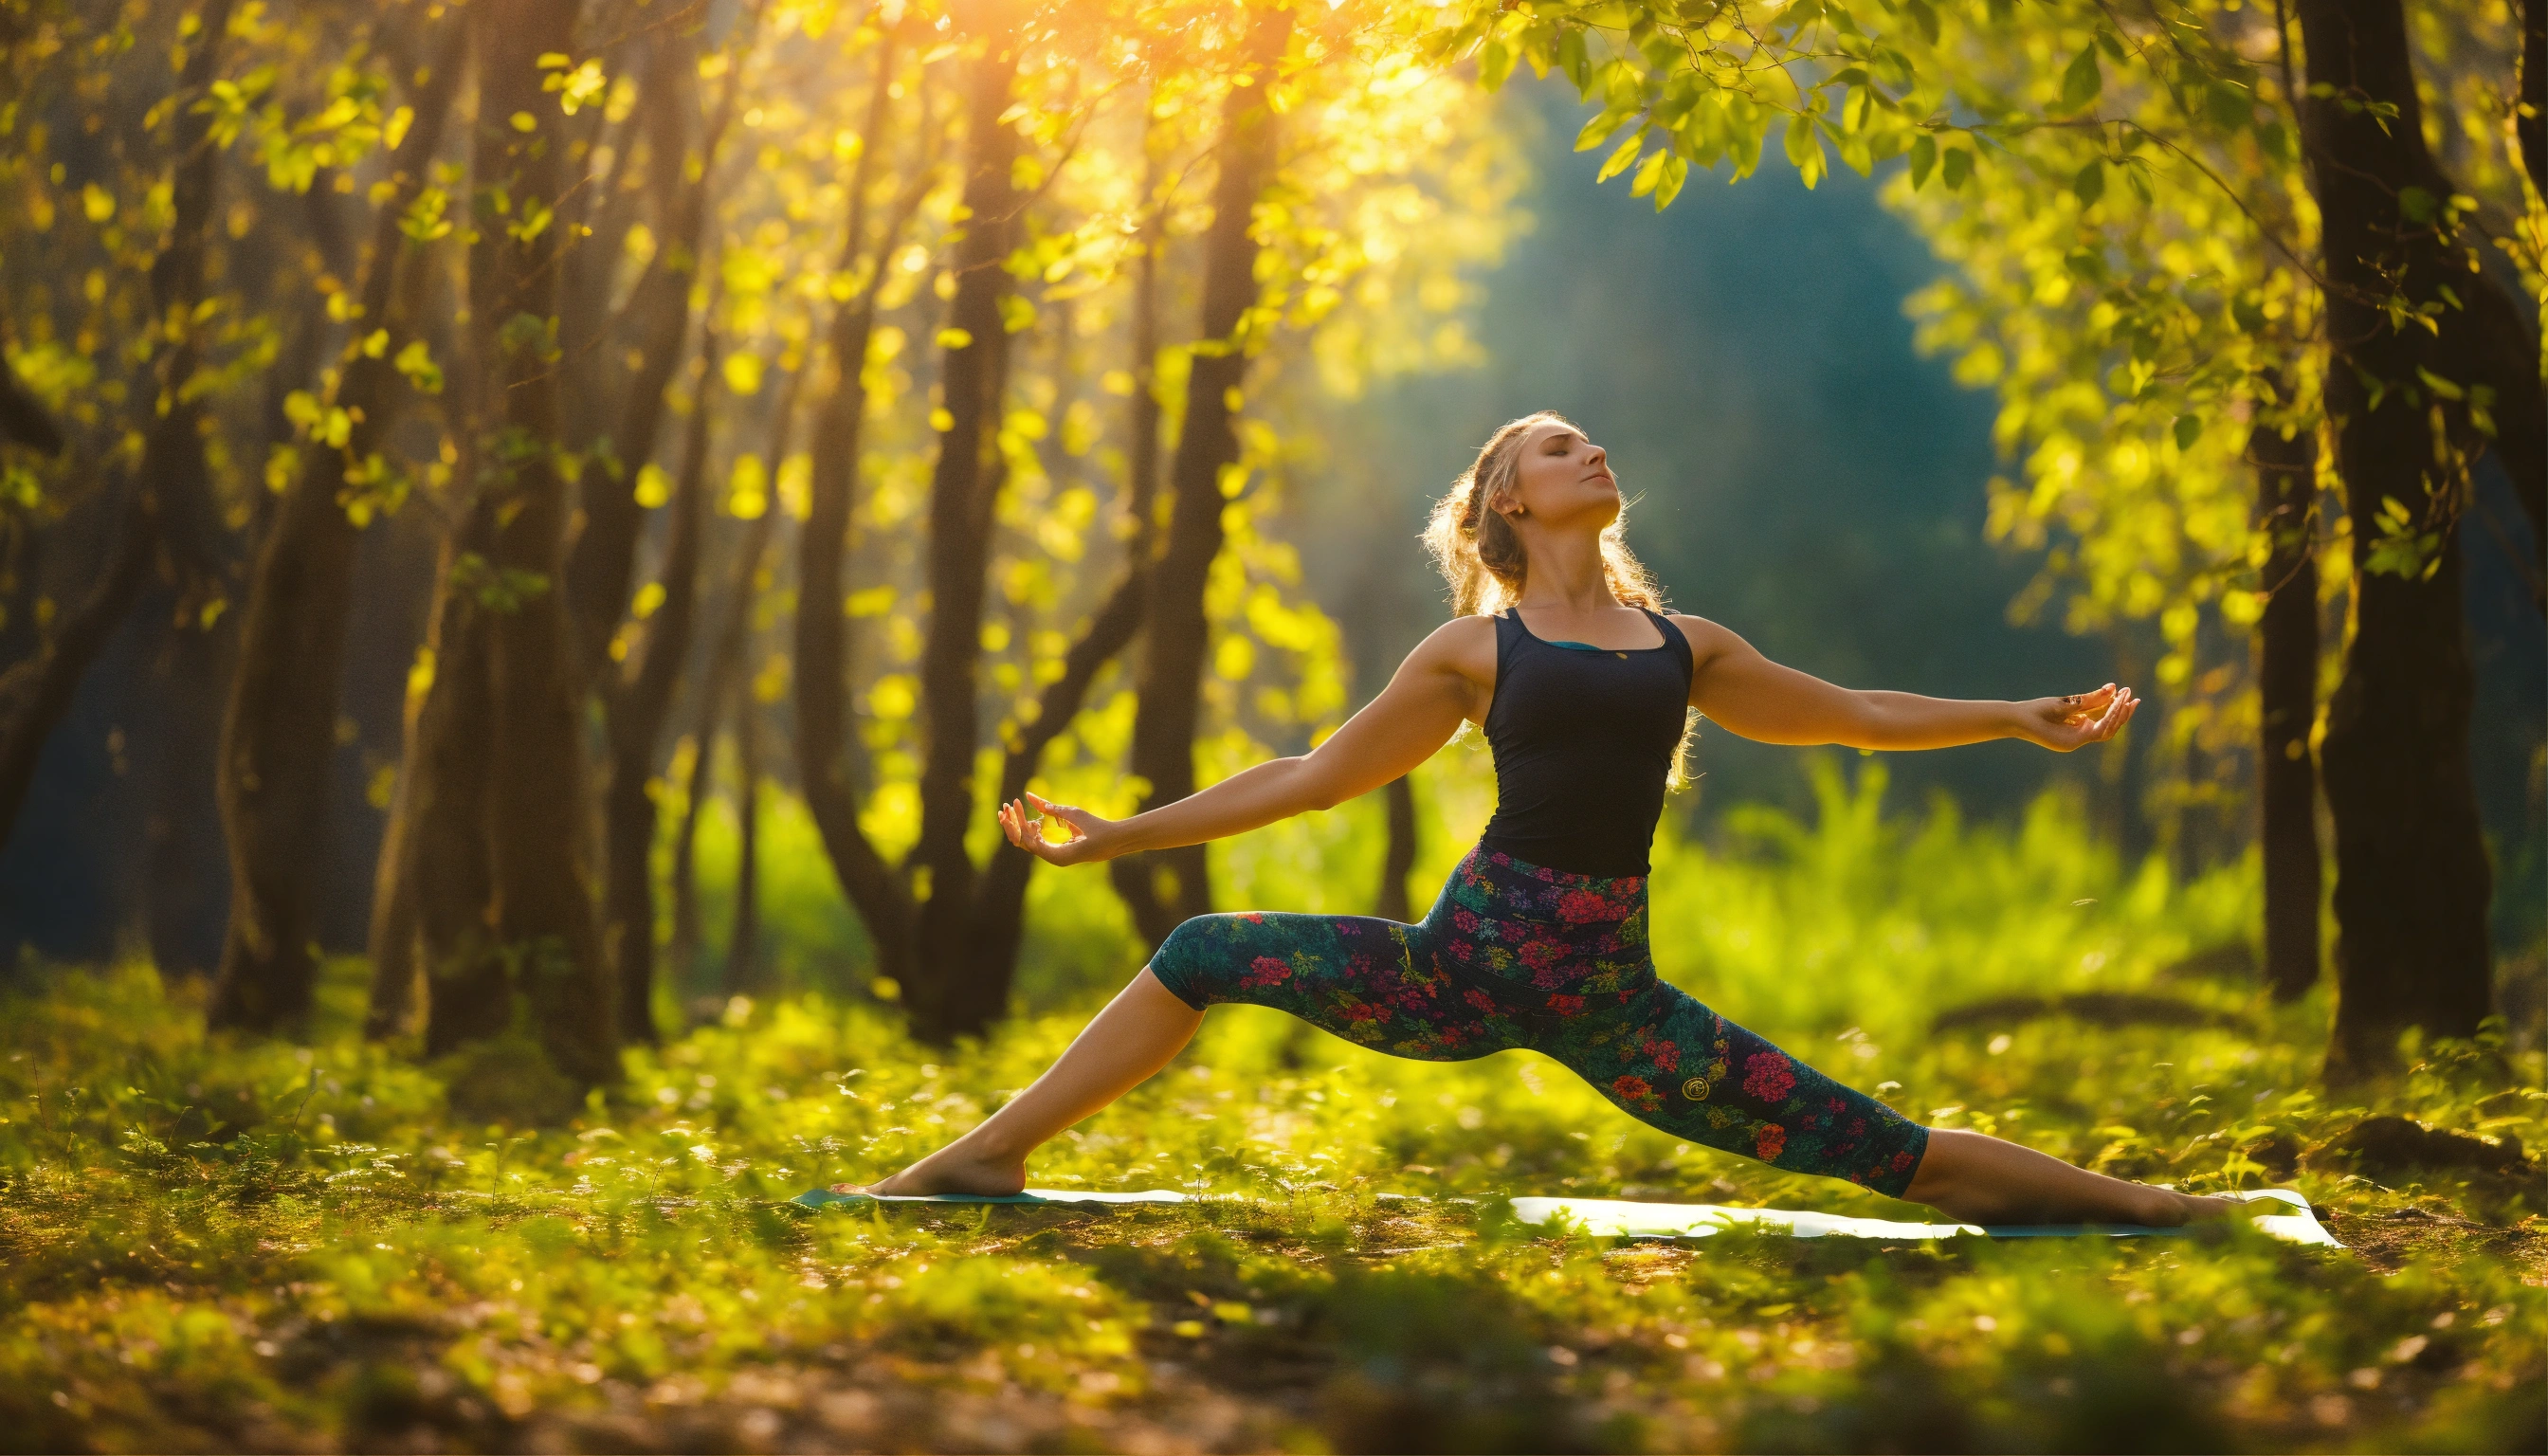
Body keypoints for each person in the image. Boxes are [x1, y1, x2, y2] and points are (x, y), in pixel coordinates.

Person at [849, 410, 2241, 1227]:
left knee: (1880, 1148)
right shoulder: (1474, 650)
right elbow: (1313, 777)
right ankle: (986, 1155)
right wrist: (1114, 836)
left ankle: (2161, 1209)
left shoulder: (1684, 641)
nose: (1590, 451)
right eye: (1558, 446)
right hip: (1455, 973)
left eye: (1591, 441)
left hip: (1612, 1003)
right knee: (1207, 947)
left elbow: (1856, 712)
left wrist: (2011, 716)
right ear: (1509, 496)